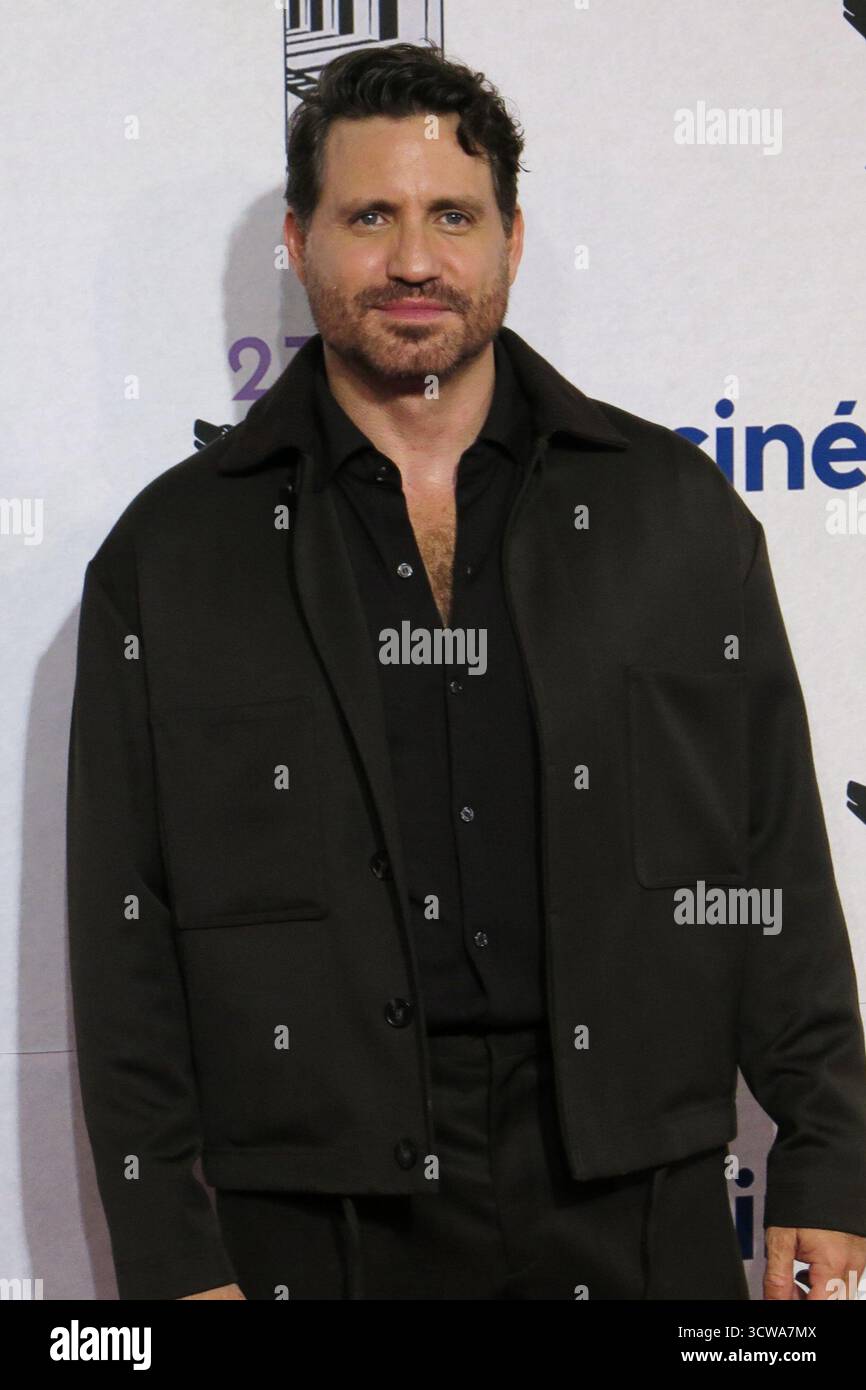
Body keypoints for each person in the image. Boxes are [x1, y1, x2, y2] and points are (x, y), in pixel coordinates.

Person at [66, 41, 866, 1301]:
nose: (413, 260)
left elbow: (766, 862)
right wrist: (170, 1255)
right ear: (299, 240)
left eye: (452, 215)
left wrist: (824, 1163)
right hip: (314, 1229)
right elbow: (126, 940)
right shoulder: (172, 558)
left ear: (511, 239)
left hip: (635, 1206)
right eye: (368, 216)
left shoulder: (672, 516)